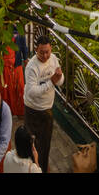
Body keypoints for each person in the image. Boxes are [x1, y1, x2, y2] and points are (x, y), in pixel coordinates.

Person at [23, 34, 63, 172]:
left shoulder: (53, 59)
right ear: (36, 50)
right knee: (32, 143)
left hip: (47, 109)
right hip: (33, 109)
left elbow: (60, 80)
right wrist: (51, 81)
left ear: (51, 49)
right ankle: (32, 168)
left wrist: (58, 77)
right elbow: (31, 92)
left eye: (47, 52)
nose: (45, 55)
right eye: (42, 52)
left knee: (45, 143)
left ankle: (43, 168)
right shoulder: (31, 67)